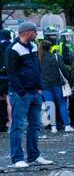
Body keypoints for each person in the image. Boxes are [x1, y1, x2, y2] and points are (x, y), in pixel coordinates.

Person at [6, 21, 51, 168]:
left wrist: (39, 87)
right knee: (18, 126)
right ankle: (17, 158)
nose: (36, 34)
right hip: (21, 94)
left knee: (35, 126)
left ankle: (34, 155)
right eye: (34, 31)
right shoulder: (13, 49)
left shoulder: (32, 47)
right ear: (26, 32)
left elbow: (36, 68)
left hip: (34, 92)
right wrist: (22, 92)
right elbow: (12, 73)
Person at [39, 38, 74, 134]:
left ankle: (53, 127)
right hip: (57, 84)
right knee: (62, 104)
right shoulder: (56, 56)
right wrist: (68, 80)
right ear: (50, 48)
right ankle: (67, 125)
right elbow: (64, 70)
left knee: (50, 105)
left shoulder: (39, 59)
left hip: (45, 85)